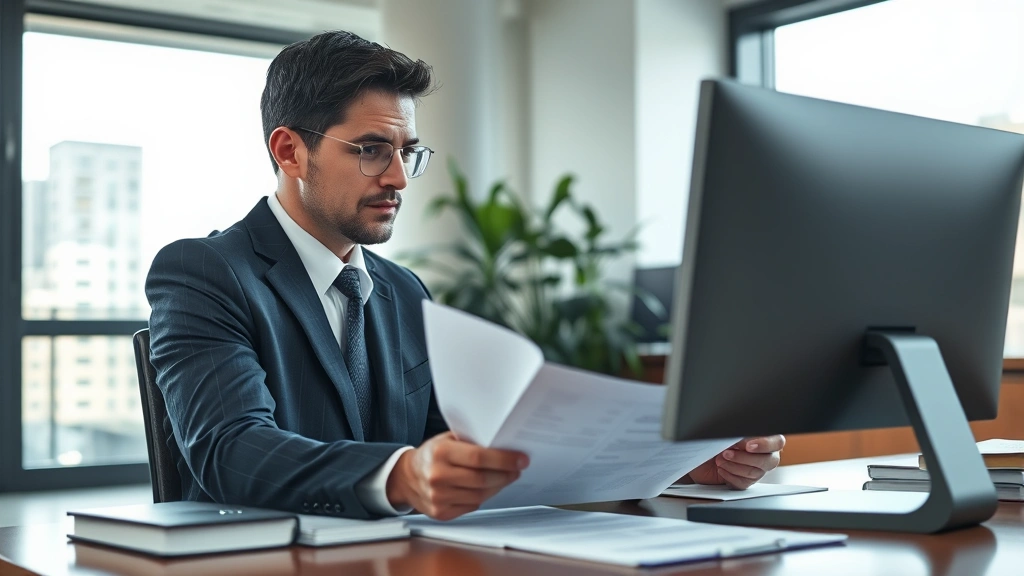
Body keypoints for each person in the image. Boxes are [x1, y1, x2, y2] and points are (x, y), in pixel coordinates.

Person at [145, 29, 784, 521]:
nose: (396, 177)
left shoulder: (401, 292)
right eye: (371, 149)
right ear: (290, 151)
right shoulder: (205, 273)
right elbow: (229, 451)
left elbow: (458, 455)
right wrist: (402, 475)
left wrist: (682, 464)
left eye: (407, 152)